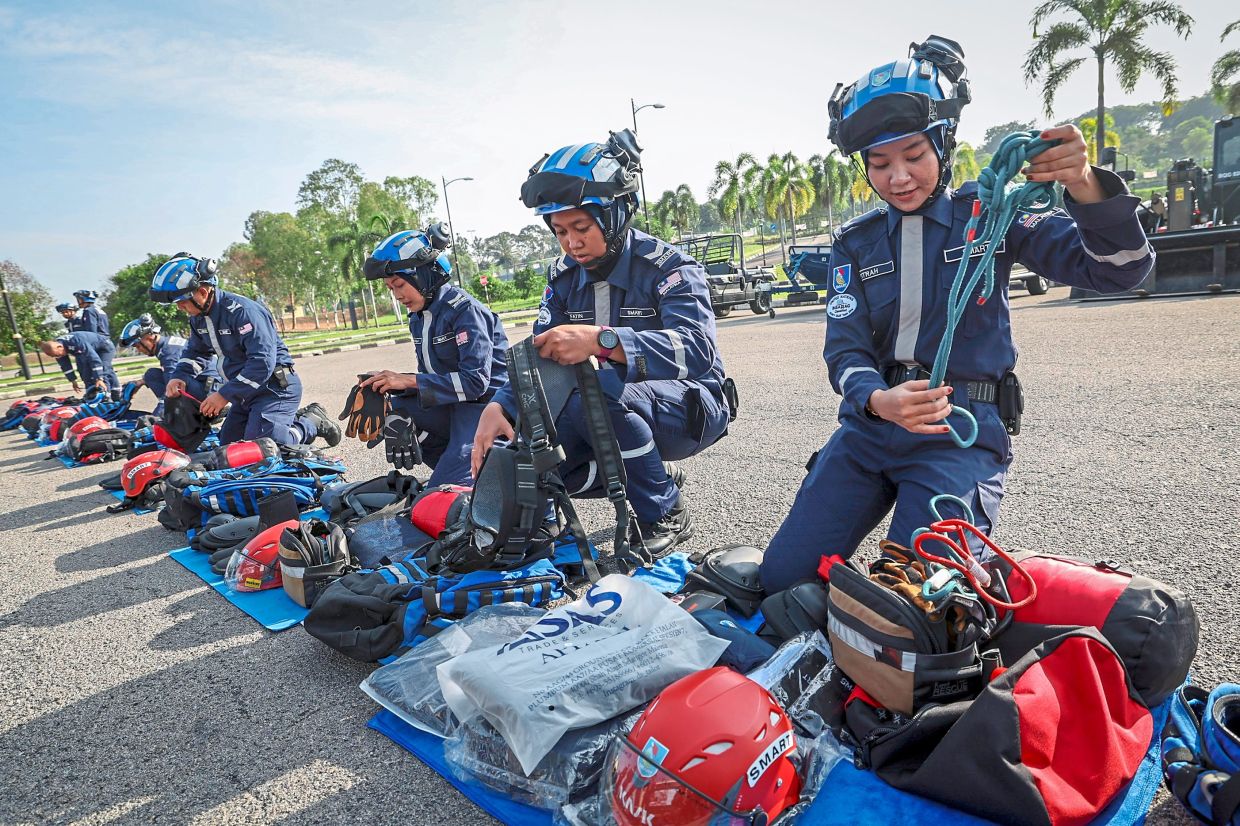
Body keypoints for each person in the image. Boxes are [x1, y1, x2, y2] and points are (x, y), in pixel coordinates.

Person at [758, 35, 1154, 592]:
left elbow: (1120, 270)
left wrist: (1083, 183)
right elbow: (844, 350)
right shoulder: (855, 242)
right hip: (868, 433)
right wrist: (878, 400)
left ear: (943, 144)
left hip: (959, 435)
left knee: (914, 599)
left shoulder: (993, 216)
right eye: (879, 163)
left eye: (914, 155)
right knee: (781, 581)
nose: (898, 177)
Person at [472, 129, 733, 558]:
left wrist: (601, 341)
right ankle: (640, 482)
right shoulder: (563, 279)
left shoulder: (669, 268)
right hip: (606, 403)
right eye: (559, 231)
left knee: (595, 394)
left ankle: (664, 511)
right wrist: (499, 406)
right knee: (535, 444)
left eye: (581, 227)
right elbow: (541, 354)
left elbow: (697, 349)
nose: (571, 243)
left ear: (614, 215)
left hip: (693, 404)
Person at [357, 224, 510, 487]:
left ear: (424, 274)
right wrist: (387, 383)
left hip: (485, 408)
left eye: (399, 284)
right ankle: (457, 470)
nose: (397, 295)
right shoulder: (418, 317)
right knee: (389, 408)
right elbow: (432, 379)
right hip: (454, 405)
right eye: (391, 288)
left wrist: (409, 380)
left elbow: (475, 383)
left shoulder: (464, 311)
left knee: (444, 495)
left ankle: (470, 478)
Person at [149, 252, 340, 448]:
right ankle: (278, 423)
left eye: (182, 302)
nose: (180, 307)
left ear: (203, 292)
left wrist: (223, 395)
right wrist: (179, 376)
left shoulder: (244, 312)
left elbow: (262, 362)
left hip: (274, 388)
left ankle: (311, 422)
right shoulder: (199, 319)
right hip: (245, 394)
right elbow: (196, 352)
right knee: (230, 449)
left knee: (265, 447)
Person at [119, 313, 218, 414]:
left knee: (171, 393)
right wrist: (140, 382)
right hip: (205, 383)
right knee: (151, 375)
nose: (138, 350)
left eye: (137, 346)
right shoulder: (167, 345)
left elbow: (172, 390)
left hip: (211, 392)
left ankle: (184, 415)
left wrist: (155, 418)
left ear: (149, 337)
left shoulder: (170, 354)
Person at [41, 331, 120, 398]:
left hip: (104, 348)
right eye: (54, 356)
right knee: (85, 374)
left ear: (59, 347)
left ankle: (108, 396)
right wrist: (73, 381)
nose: (58, 357)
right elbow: (65, 366)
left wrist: (99, 378)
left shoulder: (76, 342)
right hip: (89, 350)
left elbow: (94, 359)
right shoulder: (56, 350)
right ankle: (91, 396)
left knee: (103, 370)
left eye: (57, 355)